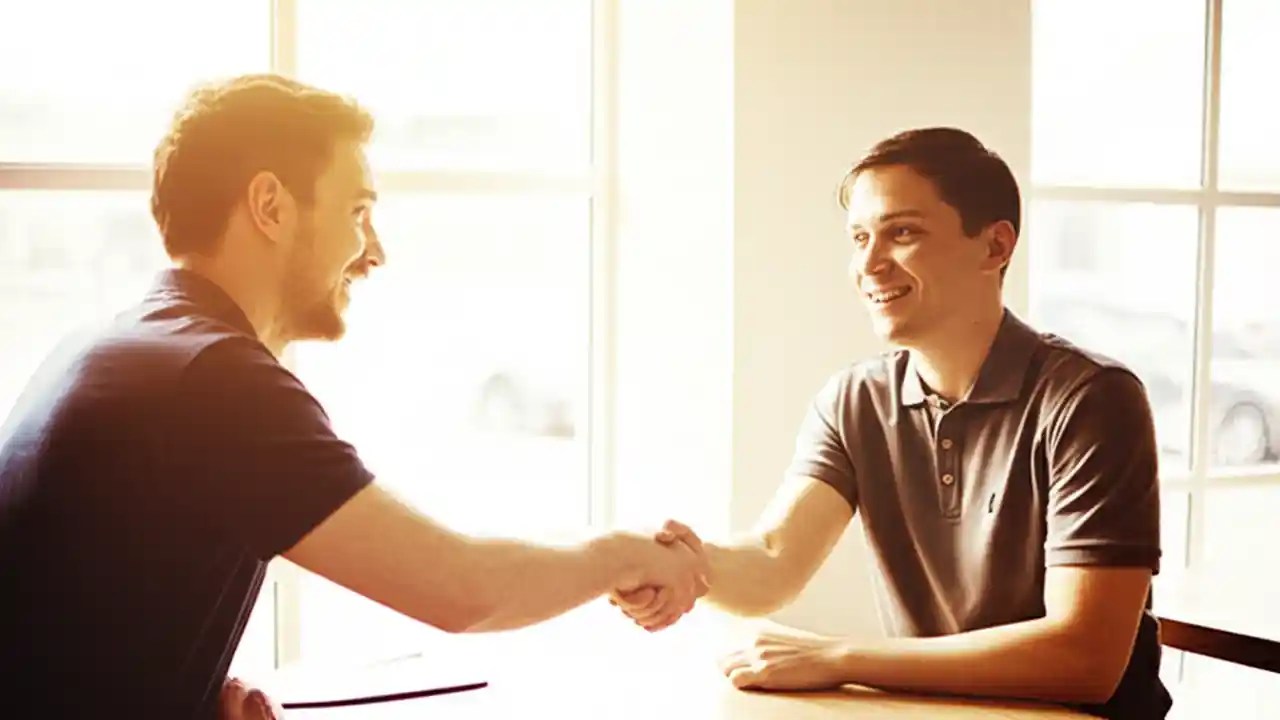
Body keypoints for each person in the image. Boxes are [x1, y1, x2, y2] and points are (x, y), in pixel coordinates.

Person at [0, 74, 706, 719]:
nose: (375, 251)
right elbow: (461, 588)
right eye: (359, 211)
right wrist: (619, 556)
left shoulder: (114, 350)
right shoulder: (217, 379)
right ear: (270, 206)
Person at [613, 127, 1172, 719]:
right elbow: (774, 563)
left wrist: (841, 657)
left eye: (902, 232)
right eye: (860, 237)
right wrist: (679, 563)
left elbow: (1085, 658)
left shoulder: (1092, 400)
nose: (870, 264)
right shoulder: (855, 399)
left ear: (994, 247)